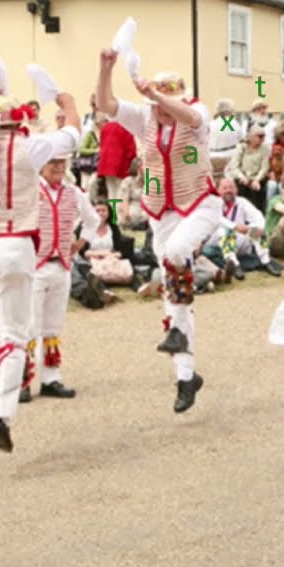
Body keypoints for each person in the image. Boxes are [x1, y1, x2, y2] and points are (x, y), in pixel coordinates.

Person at [96, 48, 219, 415]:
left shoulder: (197, 113)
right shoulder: (146, 117)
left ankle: (180, 335)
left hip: (198, 199)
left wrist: (156, 95)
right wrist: (106, 68)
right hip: (160, 207)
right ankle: (186, 376)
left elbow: (189, 115)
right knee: (171, 283)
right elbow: (105, 103)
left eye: (165, 105)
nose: (160, 112)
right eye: (156, 107)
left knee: (176, 253)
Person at [0, 85, 79, 453]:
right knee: (17, 334)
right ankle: (3, 414)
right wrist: (69, 104)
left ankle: (2, 346)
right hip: (13, 245)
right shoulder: (31, 146)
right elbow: (74, 133)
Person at [22, 152, 98, 402]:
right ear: (41, 165)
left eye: (61, 163)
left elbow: (93, 219)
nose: (57, 167)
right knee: (30, 325)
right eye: (52, 162)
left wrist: (82, 241)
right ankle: (22, 380)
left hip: (62, 264)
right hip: (35, 266)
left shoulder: (74, 192)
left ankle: (50, 378)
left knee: (53, 324)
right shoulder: (30, 190)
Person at [202, 177, 282, 280]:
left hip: (238, 240)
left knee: (257, 231)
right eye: (224, 188)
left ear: (236, 190)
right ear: (218, 190)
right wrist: (235, 227)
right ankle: (235, 265)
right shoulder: (213, 204)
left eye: (231, 187)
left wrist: (255, 228)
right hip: (217, 243)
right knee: (225, 231)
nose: (228, 190)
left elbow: (258, 216)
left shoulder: (242, 202)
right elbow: (218, 219)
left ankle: (266, 261)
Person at [228, 124, 270, 213]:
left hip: (258, 178)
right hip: (242, 177)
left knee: (256, 190)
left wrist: (257, 179)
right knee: (241, 188)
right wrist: (241, 176)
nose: (263, 139)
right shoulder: (241, 146)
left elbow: (264, 167)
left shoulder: (265, 148)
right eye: (260, 136)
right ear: (251, 137)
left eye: (264, 136)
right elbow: (234, 165)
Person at [208, 99, 243, 179]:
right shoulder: (234, 123)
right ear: (229, 110)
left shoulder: (211, 123)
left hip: (213, 157)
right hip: (230, 157)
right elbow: (241, 139)